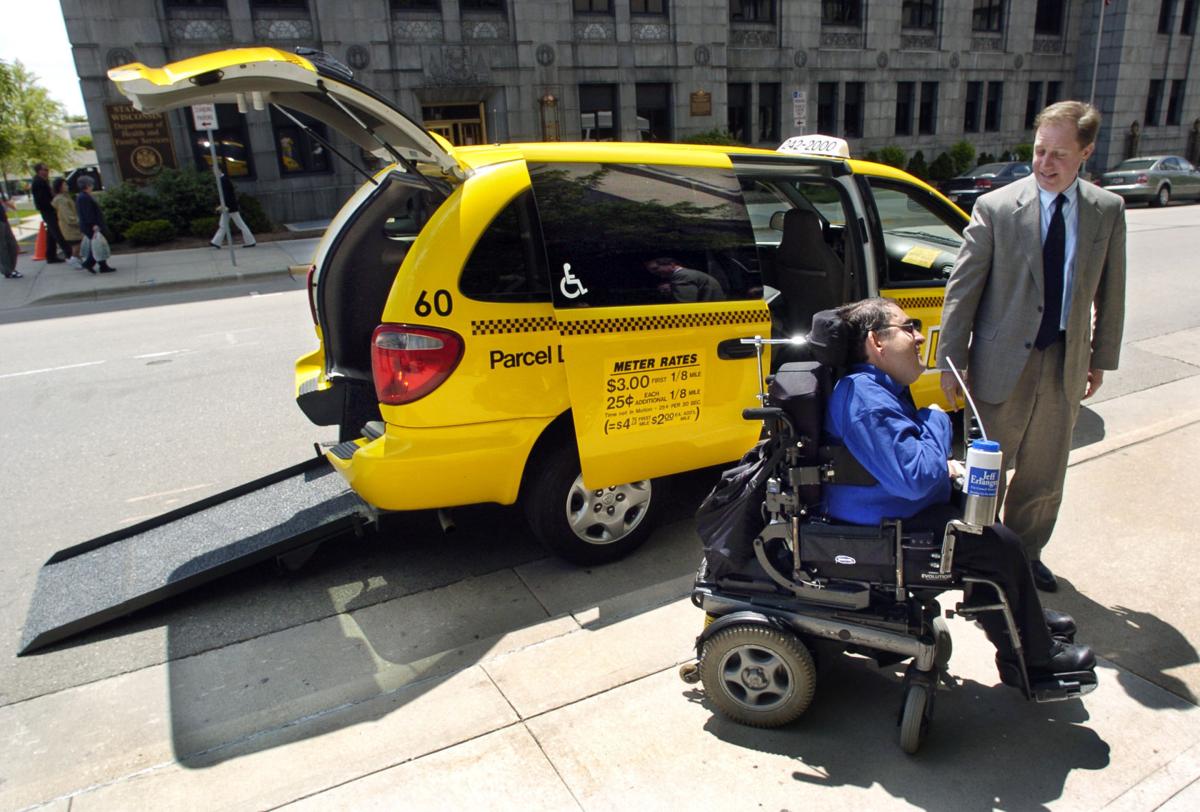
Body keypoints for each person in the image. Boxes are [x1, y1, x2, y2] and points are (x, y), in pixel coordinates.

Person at [823, 297, 1095, 689]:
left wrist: (936, 453)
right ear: (876, 342)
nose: (918, 337)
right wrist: (935, 420)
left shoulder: (880, 388)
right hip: (879, 522)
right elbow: (914, 476)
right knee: (994, 543)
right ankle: (1033, 660)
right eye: (908, 327)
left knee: (988, 526)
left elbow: (910, 461)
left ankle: (1022, 622)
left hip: (894, 506)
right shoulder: (865, 398)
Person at [936, 101, 1127, 593]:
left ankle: (1023, 557)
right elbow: (963, 289)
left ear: (1085, 153)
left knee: (1044, 477)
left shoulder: (1106, 211)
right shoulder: (997, 208)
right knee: (987, 473)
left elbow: (1111, 290)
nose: (1045, 163)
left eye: (1059, 154)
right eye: (1040, 151)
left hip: (1064, 362)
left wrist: (1099, 359)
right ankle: (977, 561)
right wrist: (952, 366)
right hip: (1001, 365)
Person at [31, 162, 72, 263]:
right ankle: (70, 254)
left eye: (47, 170)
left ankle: (50, 255)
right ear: (39, 171)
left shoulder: (43, 181)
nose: (46, 172)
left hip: (48, 210)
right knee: (57, 232)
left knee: (51, 233)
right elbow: (42, 199)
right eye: (44, 170)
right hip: (48, 210)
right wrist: (53, 205)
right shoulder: (38, 182)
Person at [75, 176, 115, 274]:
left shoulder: (83, 196)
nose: (92, 186)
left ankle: (102, 266)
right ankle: (89, 263)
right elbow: (88, 213)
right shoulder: (84, 197)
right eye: (91, 184)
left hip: (90, 225)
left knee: (97, 245)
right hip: (91, 226)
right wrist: (94, 224)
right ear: (87, 185)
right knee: (97, 246)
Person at [210, 170, 257, 249]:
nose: (213, 173)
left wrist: (224, 205)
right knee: (223, 225)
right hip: (229, 207)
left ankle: (250, 241)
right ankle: (216, 242)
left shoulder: (223, 180)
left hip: (229, 207)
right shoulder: (223, 179)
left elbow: (227, 195)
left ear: (219, 170)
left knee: (239, 225)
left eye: (214, 171)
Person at [645, 257, 722, 302]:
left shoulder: (682, 276)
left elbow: (685, 302)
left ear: (672, 265)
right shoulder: (688, 274)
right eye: (651, 271)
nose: (653, 272)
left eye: (655, 268)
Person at [51, 178, 83, 268]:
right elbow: (67, 214)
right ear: (60, 187)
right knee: (77, 243)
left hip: (69, 224)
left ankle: (77, 259)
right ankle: (74, 259)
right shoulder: (61, 200)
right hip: (70, 225)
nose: (67, 186)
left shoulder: (64, 197)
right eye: (65, 185)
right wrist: (76, 221)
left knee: (78, 242)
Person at [1, 194, 21, 279]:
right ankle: (8, 271)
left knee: (13, 246)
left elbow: (3, 200)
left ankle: (10, 269)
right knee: (3, 247)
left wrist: (8, 204)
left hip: (3, 219)